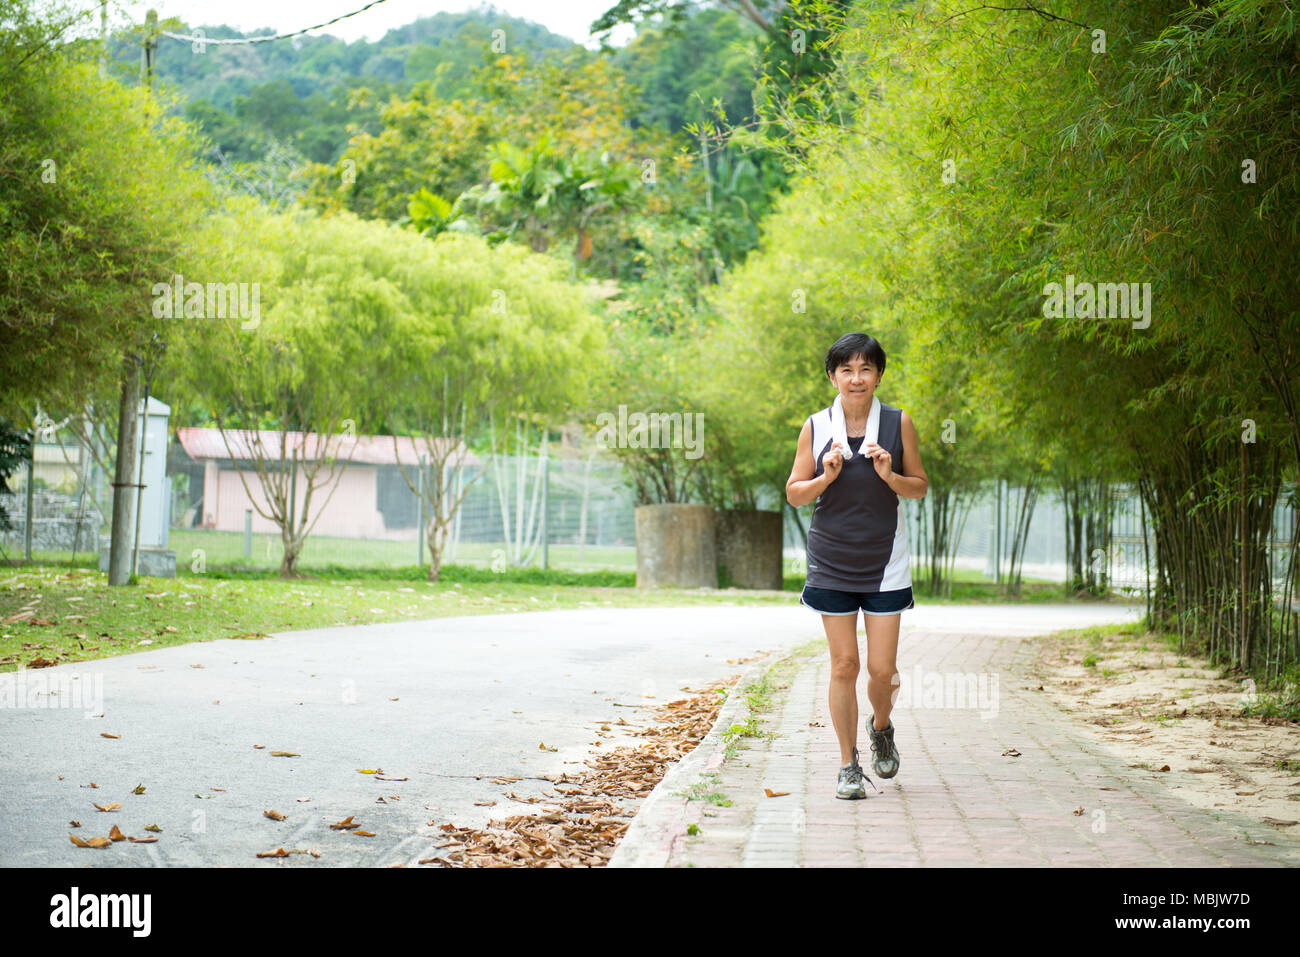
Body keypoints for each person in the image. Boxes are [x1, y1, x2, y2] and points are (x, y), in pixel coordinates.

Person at [785, 332, 929, 799]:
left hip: (885, 562)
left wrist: (890, 474)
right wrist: (825, 477)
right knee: (844, 663)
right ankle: (848, 764)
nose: (856, 378)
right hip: (831, 562)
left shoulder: (897, 422)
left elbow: (920, 487)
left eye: (865, 369)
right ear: (833, 376)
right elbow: (794, 493)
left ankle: (881, 725)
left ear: (879, 374)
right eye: (846, 370)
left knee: (883, 672)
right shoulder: (816, 425)